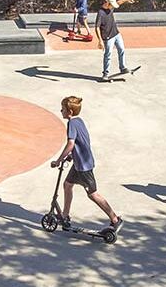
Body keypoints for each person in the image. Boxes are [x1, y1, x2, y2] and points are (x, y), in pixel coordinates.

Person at [52, 95, 123, 234]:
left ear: (69, 112)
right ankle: (65, 216)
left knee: (92, 194)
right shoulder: (79, 121)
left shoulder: (71, 123)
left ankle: (115, 219)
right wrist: (73, 156)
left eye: (62, 109)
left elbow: (71, 143)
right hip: (80, 163)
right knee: (67, 185)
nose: (61, 111)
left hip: (84, 167)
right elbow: (83, 141)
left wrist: (59, 160)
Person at [97, 0, 136, 79]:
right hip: (108, 37)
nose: (112, 8)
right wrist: (100, 41)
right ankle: (105, 73)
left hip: (116, 34)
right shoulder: (101, 13)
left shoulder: (111, 7)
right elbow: (96, 27)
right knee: (108, 54)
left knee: (121, 50)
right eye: (112, 6)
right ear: (107, 3)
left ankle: (122, 68)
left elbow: (118, 2)